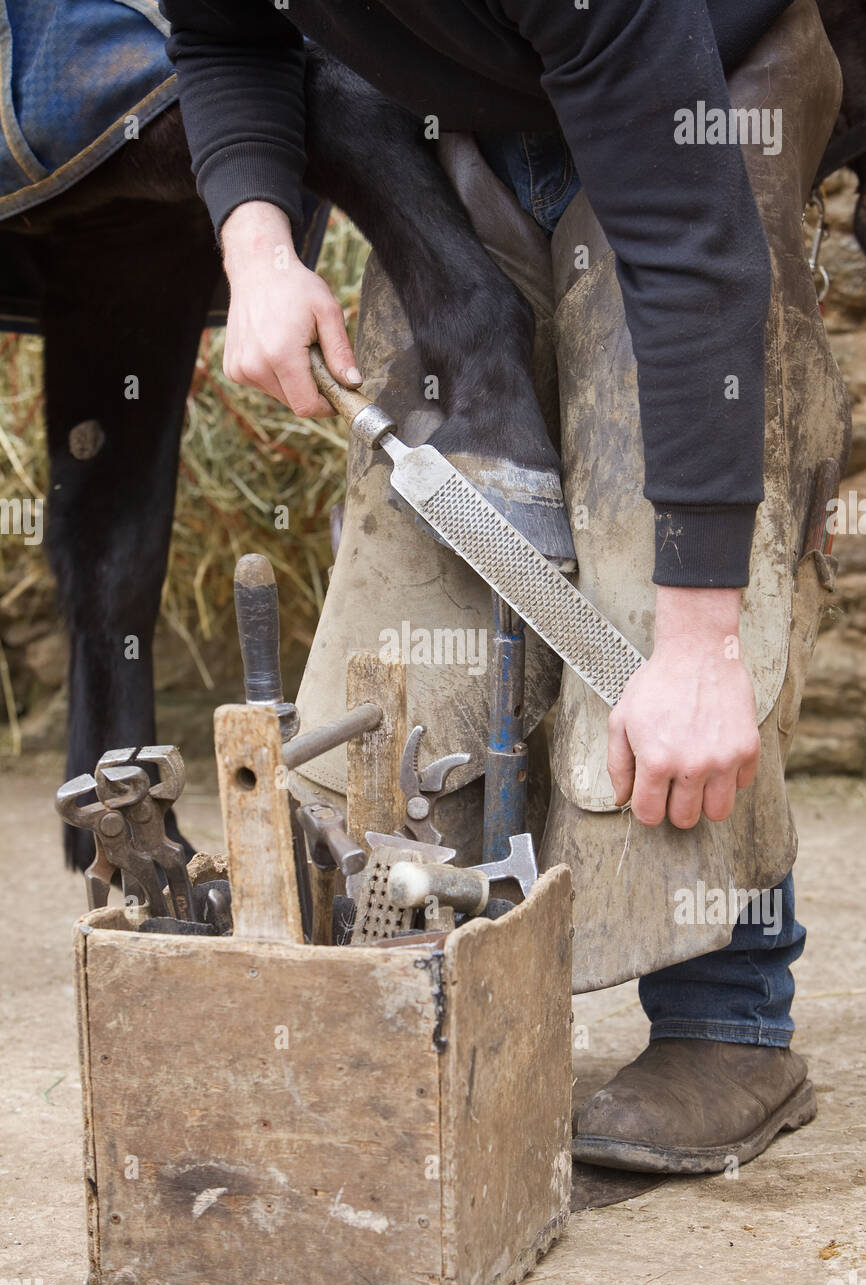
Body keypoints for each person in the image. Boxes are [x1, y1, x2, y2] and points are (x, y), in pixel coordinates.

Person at [160, 0, 848, 1172]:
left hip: (701, 95)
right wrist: (258, 245)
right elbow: (225, 37)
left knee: (655, 544)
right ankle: (433, 980)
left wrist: (696, 645)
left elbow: (690, 251)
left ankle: (728, 1022)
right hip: (460, 116)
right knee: (424, 549)